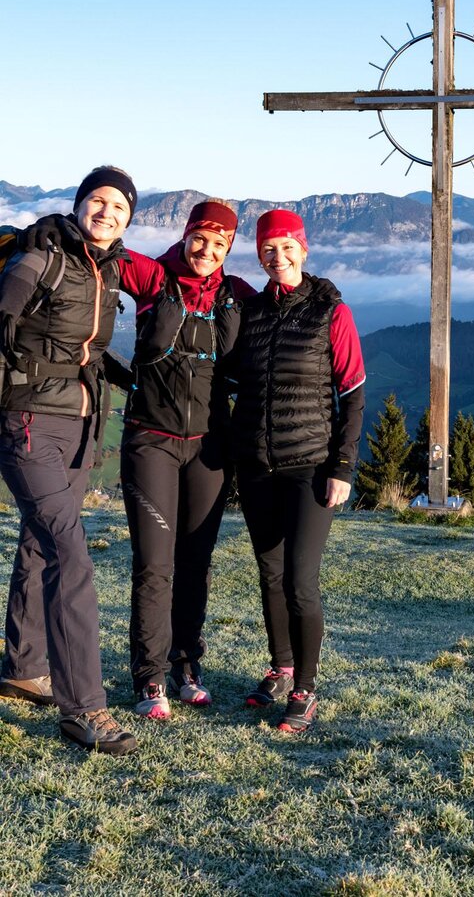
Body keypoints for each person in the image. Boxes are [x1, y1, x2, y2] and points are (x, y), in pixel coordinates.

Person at [0, 167, 139, 754]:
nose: (106, 212)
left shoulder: (105, 268)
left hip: (82, 425)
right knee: (69, 555)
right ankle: (82, 709)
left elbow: (91, 352)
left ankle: (24, 667)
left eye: (119, 207)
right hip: (27, 419)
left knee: (40, 542)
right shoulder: (41, 256)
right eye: (98, 200)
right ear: (80, 203)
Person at [118, 199, 255, 719]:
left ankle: (186, 666)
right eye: (201, 238)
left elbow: (289, 304)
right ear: (186, 234)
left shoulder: (235, 295)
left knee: (196, 564)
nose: (207, 250)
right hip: (150, 440)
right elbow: (103, 250)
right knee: (155, 566)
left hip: (210, 448)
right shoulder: (154, 277)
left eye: (220, 244)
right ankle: (149, 678)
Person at [232, 208, 365, 734]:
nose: (278, 256)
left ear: (304, 250)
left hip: (311, 467)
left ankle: (306, 689)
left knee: (300, 581)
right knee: (269, 573)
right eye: (268, 248)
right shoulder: (252, 311)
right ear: (259, 253)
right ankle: (281, 667)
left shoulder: (332, 311)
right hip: (259, 466)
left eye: (287, 247)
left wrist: (343, 466)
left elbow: (352, 392)